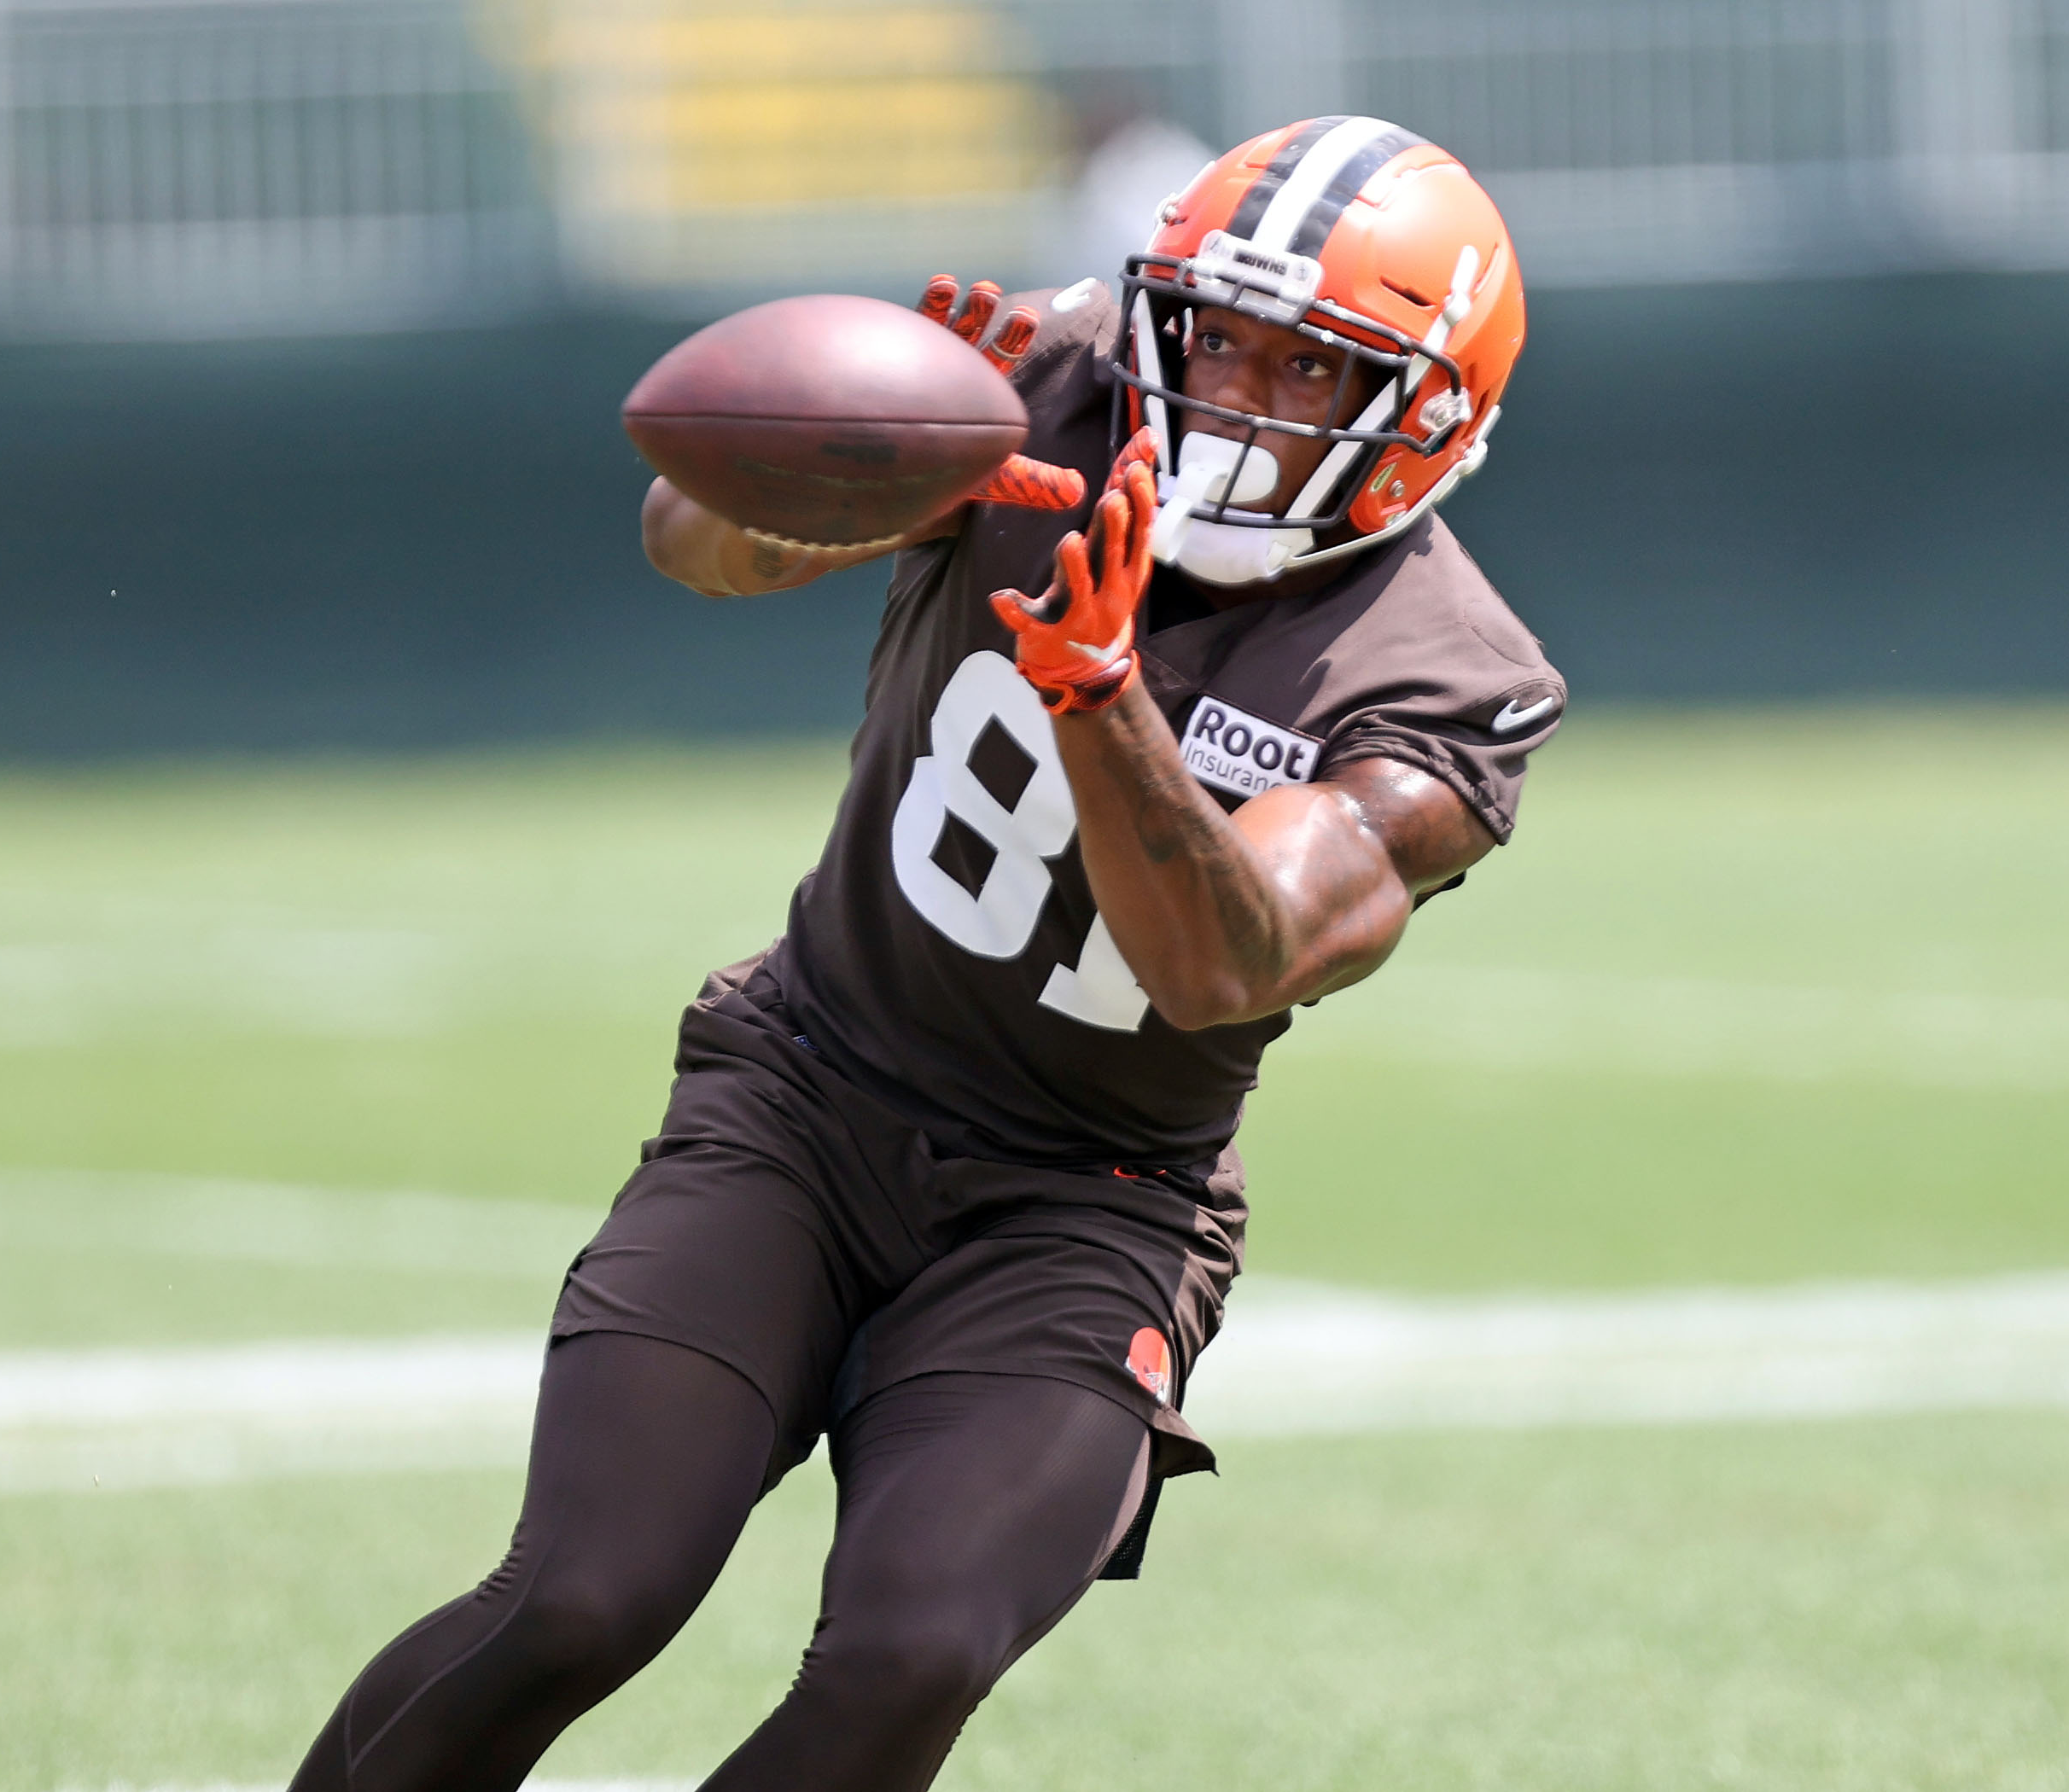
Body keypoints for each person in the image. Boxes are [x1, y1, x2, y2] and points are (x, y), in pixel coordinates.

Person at [288, 113, 1565, 1792]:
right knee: (582, 1597)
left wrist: (1102, 697)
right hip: (808, 1100)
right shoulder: (1058, 374)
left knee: (914, 1650)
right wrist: (860, 474)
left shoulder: (1444, 679)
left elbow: (1220, 964)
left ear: (1424, 412)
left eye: (1305, 367)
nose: (1236, 389)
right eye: (1214, 334)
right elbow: (695, 543)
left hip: (1087, 1199)